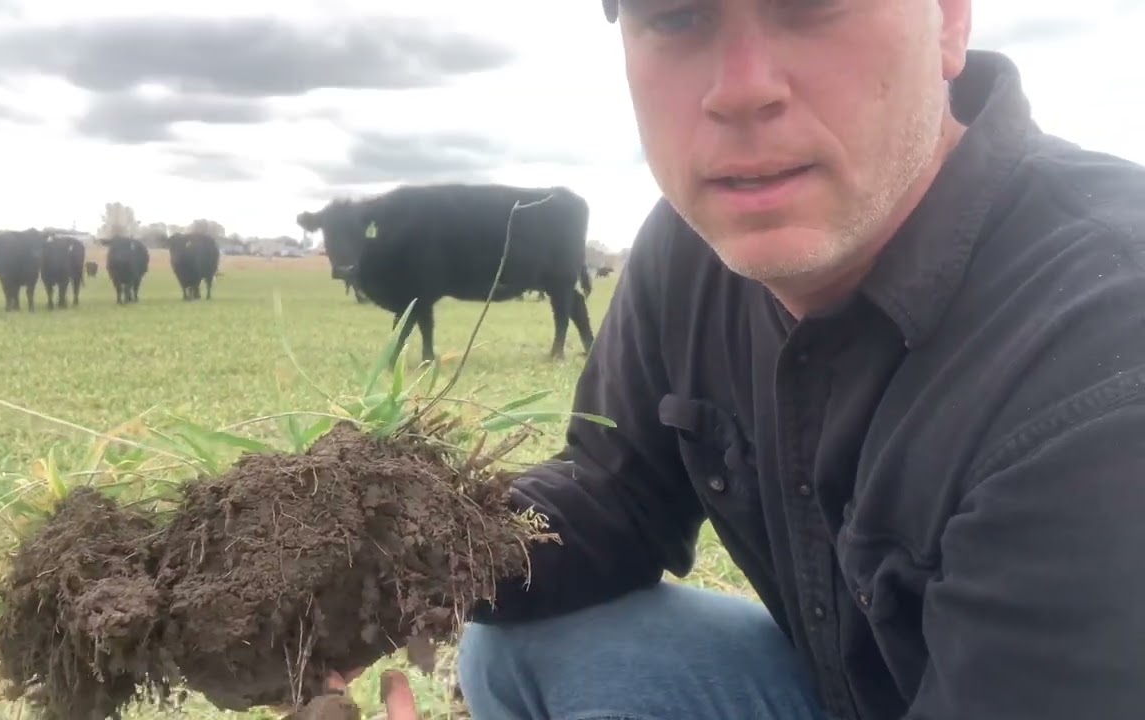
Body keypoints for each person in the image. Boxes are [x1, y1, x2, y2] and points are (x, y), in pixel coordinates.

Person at [353, 0, 1145, 717]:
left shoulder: (1105, 355)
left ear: (948, 22)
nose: (740, 90)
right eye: (675, 16)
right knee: (520, 641)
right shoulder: (689, 251)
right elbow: (614, 496)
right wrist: (392, 553)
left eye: (809, 6)